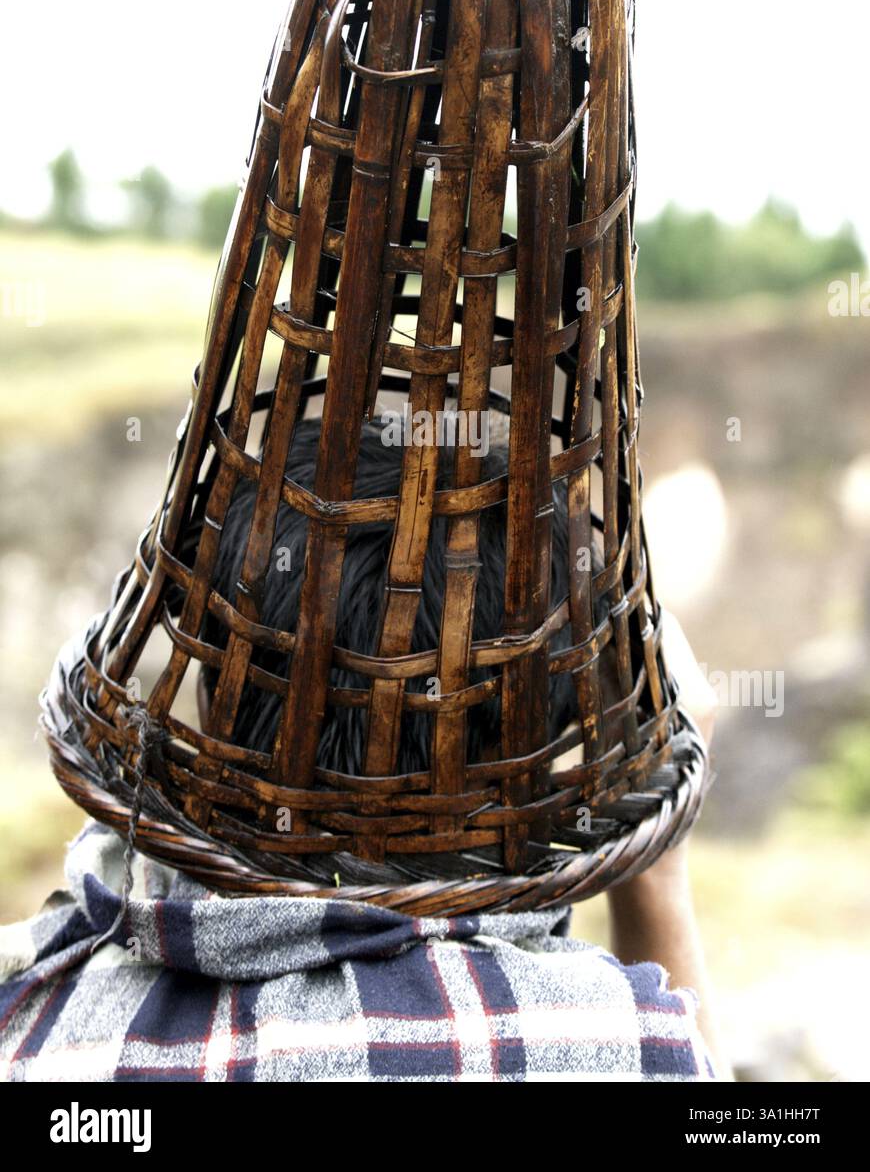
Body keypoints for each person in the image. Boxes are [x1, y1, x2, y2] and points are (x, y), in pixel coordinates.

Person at [0, 424, 730, 1082]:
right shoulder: (621, 1046)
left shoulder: (30, 1030)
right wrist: (656, 874)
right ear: (527, 755)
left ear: (213, 694)